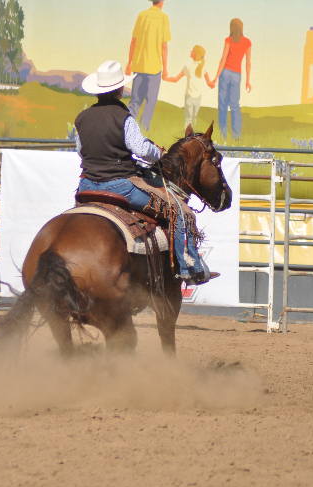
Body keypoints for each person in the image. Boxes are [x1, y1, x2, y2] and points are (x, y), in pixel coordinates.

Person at [75, 60, 214, 285]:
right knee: (179, 209)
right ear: (120, 89)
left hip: (87, 185)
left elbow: (81, 151)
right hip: (120, 186)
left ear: (98, 91)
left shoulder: (82, 118)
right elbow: (141, 150)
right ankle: (190, 267)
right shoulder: (124, 117)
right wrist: (157, 153)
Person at [125, 0, 171, 132]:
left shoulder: (141, 15)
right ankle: (144, 129)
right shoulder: (163, 18)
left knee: (135, 101)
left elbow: (133, 41)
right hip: (154, 67)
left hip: (139, 65)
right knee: (150, 102)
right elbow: (164, 46)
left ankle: (127, 129)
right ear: (161, 2)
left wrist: (129, 63)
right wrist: (165, 68)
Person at [208, 18, 252, 141]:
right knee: (235, 105)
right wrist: (248, 81)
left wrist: (216, 78)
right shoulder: (247, 42)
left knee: (222, 104)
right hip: (237, 75)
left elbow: (223, 60)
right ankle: (236, 136)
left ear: (232, 27)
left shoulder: (229, 40)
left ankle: (222, 135)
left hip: (225, 73)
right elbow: (248, 63)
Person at [163, 45, 212, 130]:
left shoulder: (188, 66)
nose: (191, 51)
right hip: (198, 96)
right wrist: (214, 83)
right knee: (194, 118)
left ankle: (187, 135)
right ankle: (193, 135)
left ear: (196, 54)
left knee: (188, 119)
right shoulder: (204, 66)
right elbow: (209, 83)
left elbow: (175, 79)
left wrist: (165, 78)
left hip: (189, 96)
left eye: (192, 50)